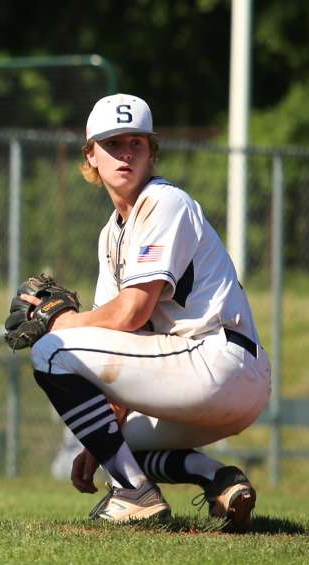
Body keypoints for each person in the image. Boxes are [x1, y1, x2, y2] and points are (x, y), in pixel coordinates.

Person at [24, 94, 270, 531]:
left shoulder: (163, 202)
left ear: (152, 152)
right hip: (207, 373)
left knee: (50, 350)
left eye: (136, 142)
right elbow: (121, 345)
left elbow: (132, 313)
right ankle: (217, 478)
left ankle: (135, 494)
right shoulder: (109, 236)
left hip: (214, 359)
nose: (125, 153)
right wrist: (100, 445)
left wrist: (62, 323)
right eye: (112, 143)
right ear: (90, 156)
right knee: (115, 445)